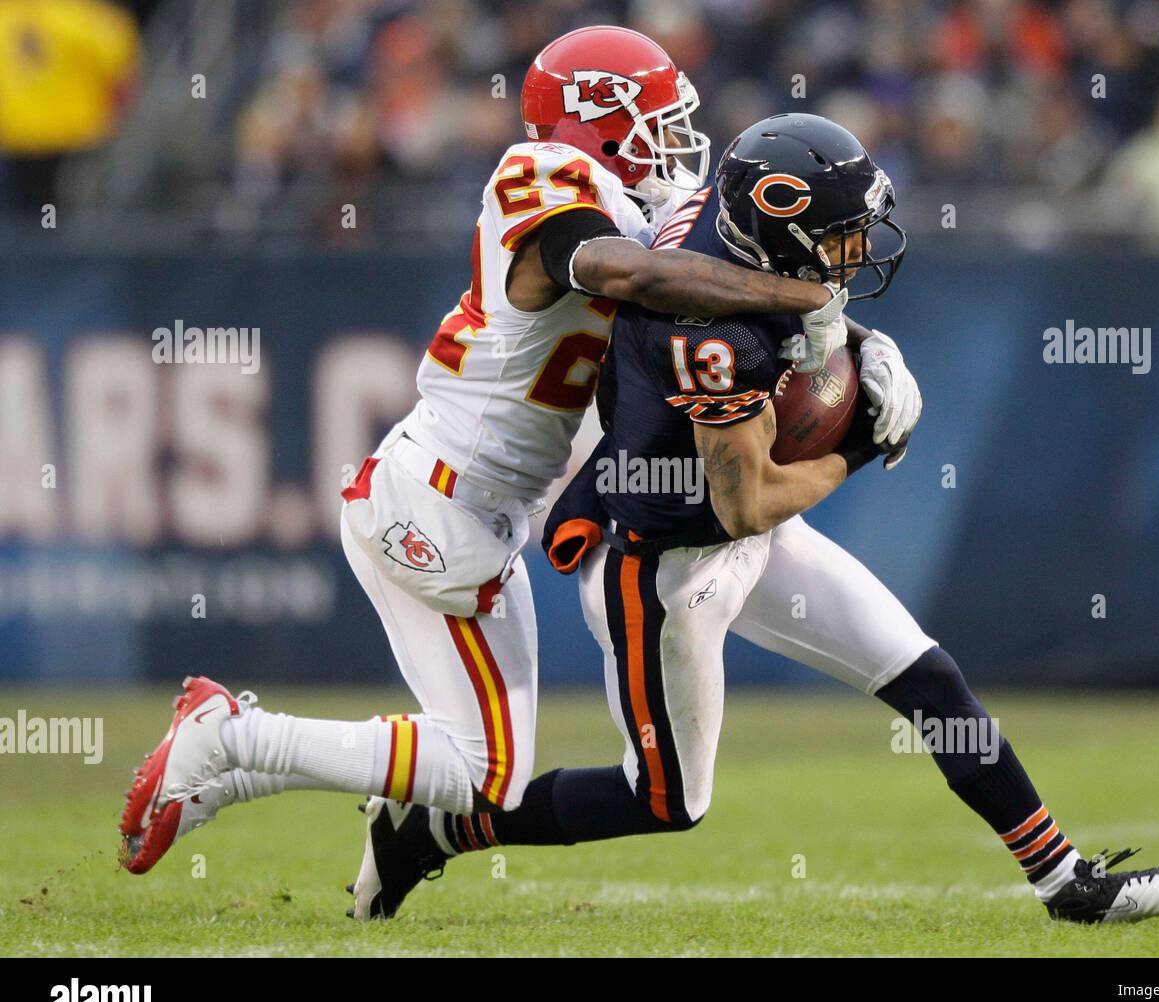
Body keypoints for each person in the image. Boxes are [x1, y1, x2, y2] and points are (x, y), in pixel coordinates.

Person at [350, 114, 1159, 926]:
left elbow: (797, 317)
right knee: (667, 801)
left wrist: (861, 342)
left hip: (739, 531)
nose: (857, 251)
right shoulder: (713, 338)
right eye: (840, 236)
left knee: (926, 678)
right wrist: (859, 448)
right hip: (669, 567)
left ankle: (1066, 884)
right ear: (782, 228)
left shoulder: (728, 243)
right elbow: (748, 499)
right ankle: (431, 832)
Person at [117, 27, 856, 876]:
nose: (674, 141)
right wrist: (803, 298)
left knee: (478, 766)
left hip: (475, 503)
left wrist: (857, 349)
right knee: (485, 775)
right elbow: (632, 276)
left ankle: (228, 770)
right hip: (440, 496)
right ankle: (230, 734)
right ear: (598, 119)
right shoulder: (541, 176)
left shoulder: (638, 207)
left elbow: (697, 297)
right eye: (656, 118)